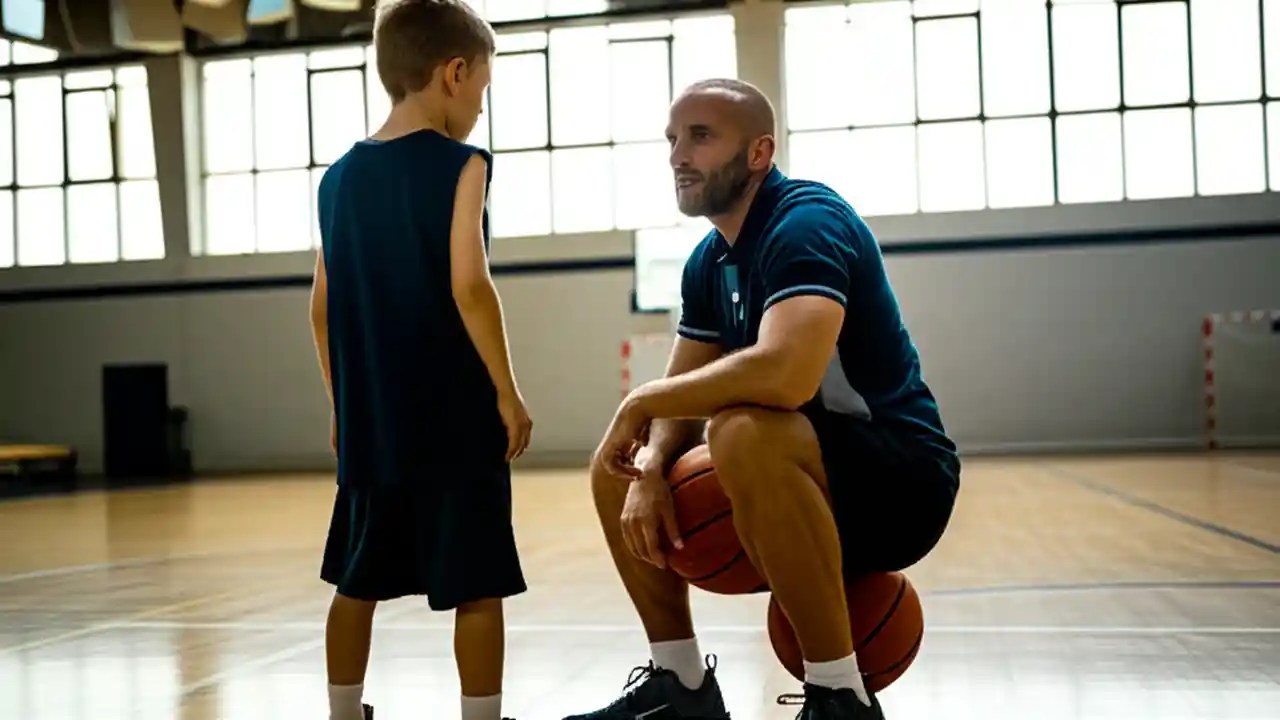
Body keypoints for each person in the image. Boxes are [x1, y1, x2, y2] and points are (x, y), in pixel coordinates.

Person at [569, 79, 961, 720]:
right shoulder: (708, 260)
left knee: (742, 429)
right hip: (791, 480)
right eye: (672, 139)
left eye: (700, 136)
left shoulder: (806, 222)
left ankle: (840, 696)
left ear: (758, 153)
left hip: (900, 481)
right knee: (618, 465)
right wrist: (649, 464)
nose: (677, 156)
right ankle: (681, 686)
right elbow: (679, 403)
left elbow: (787, 375)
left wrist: (641, 400)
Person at [307, 2, 532, 719]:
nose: (479, 108)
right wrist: (507, 392)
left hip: (374, 415)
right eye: (482, 90)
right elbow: (470, 283)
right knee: (477, 581)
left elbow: (320, 306)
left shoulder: (336, 178)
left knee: (357, 580)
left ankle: (345, 713)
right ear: (454, 73)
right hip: (454, 412)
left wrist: (344, 405)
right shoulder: (463, 164)